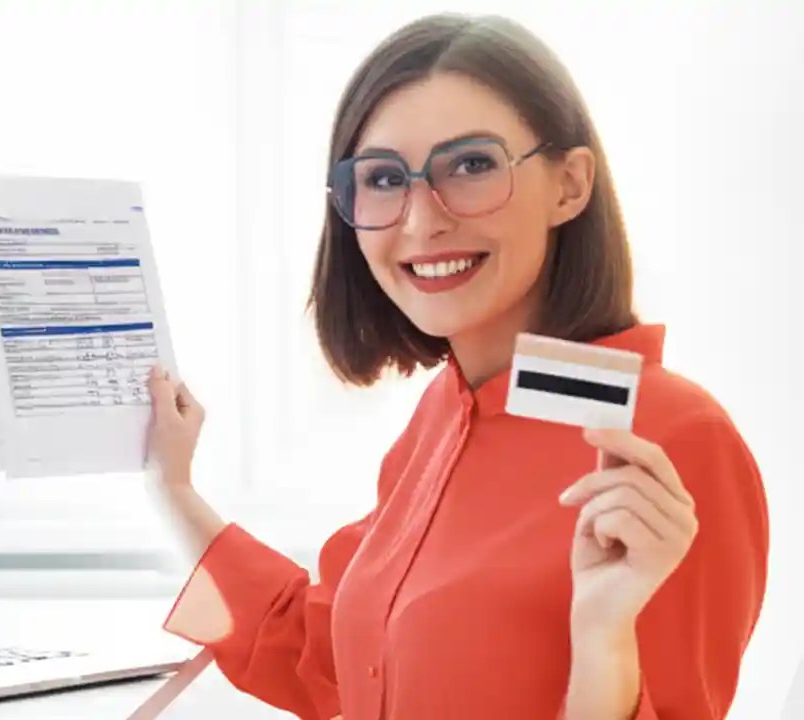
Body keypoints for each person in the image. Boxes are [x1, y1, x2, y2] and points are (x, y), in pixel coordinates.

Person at [145, 12, 769, 720]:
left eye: (471, 165)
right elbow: (331, 665)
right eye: (383, 178)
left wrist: (602, 646)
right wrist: (174, 488)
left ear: (569, 185)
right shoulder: (445, 415)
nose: (420, 220)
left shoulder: (674, 438)